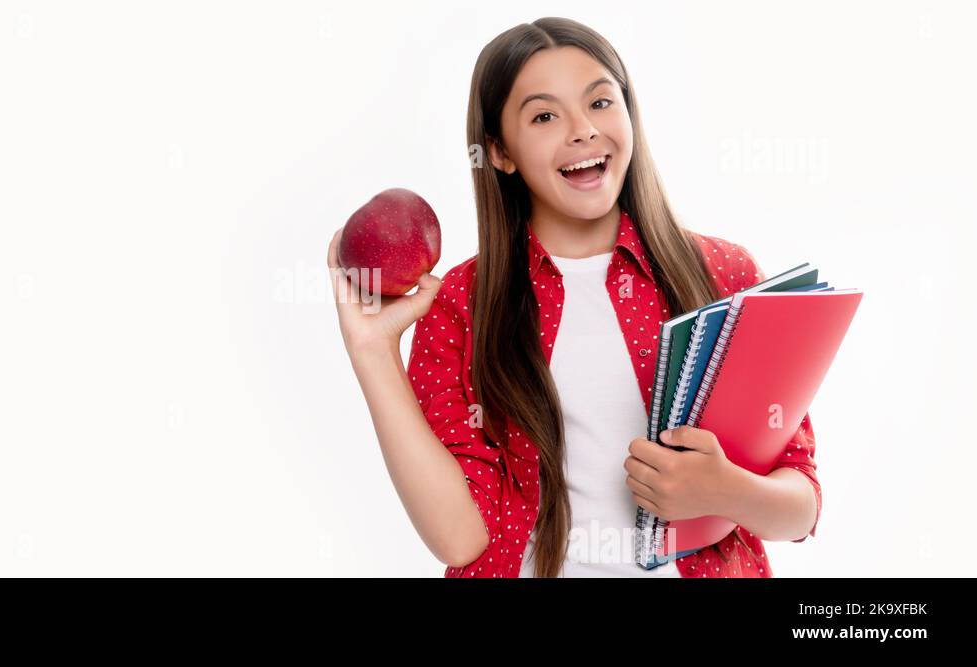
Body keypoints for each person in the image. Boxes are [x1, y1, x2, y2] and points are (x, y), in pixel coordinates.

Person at [326, 17, 820, 578]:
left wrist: (727, 491)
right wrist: (371, 351)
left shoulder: (724, 274)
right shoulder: (463, 304)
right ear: (500, 152)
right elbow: (459, 540)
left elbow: (799, 502)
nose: (582, 130)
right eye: (543, 116)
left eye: (601, 103)